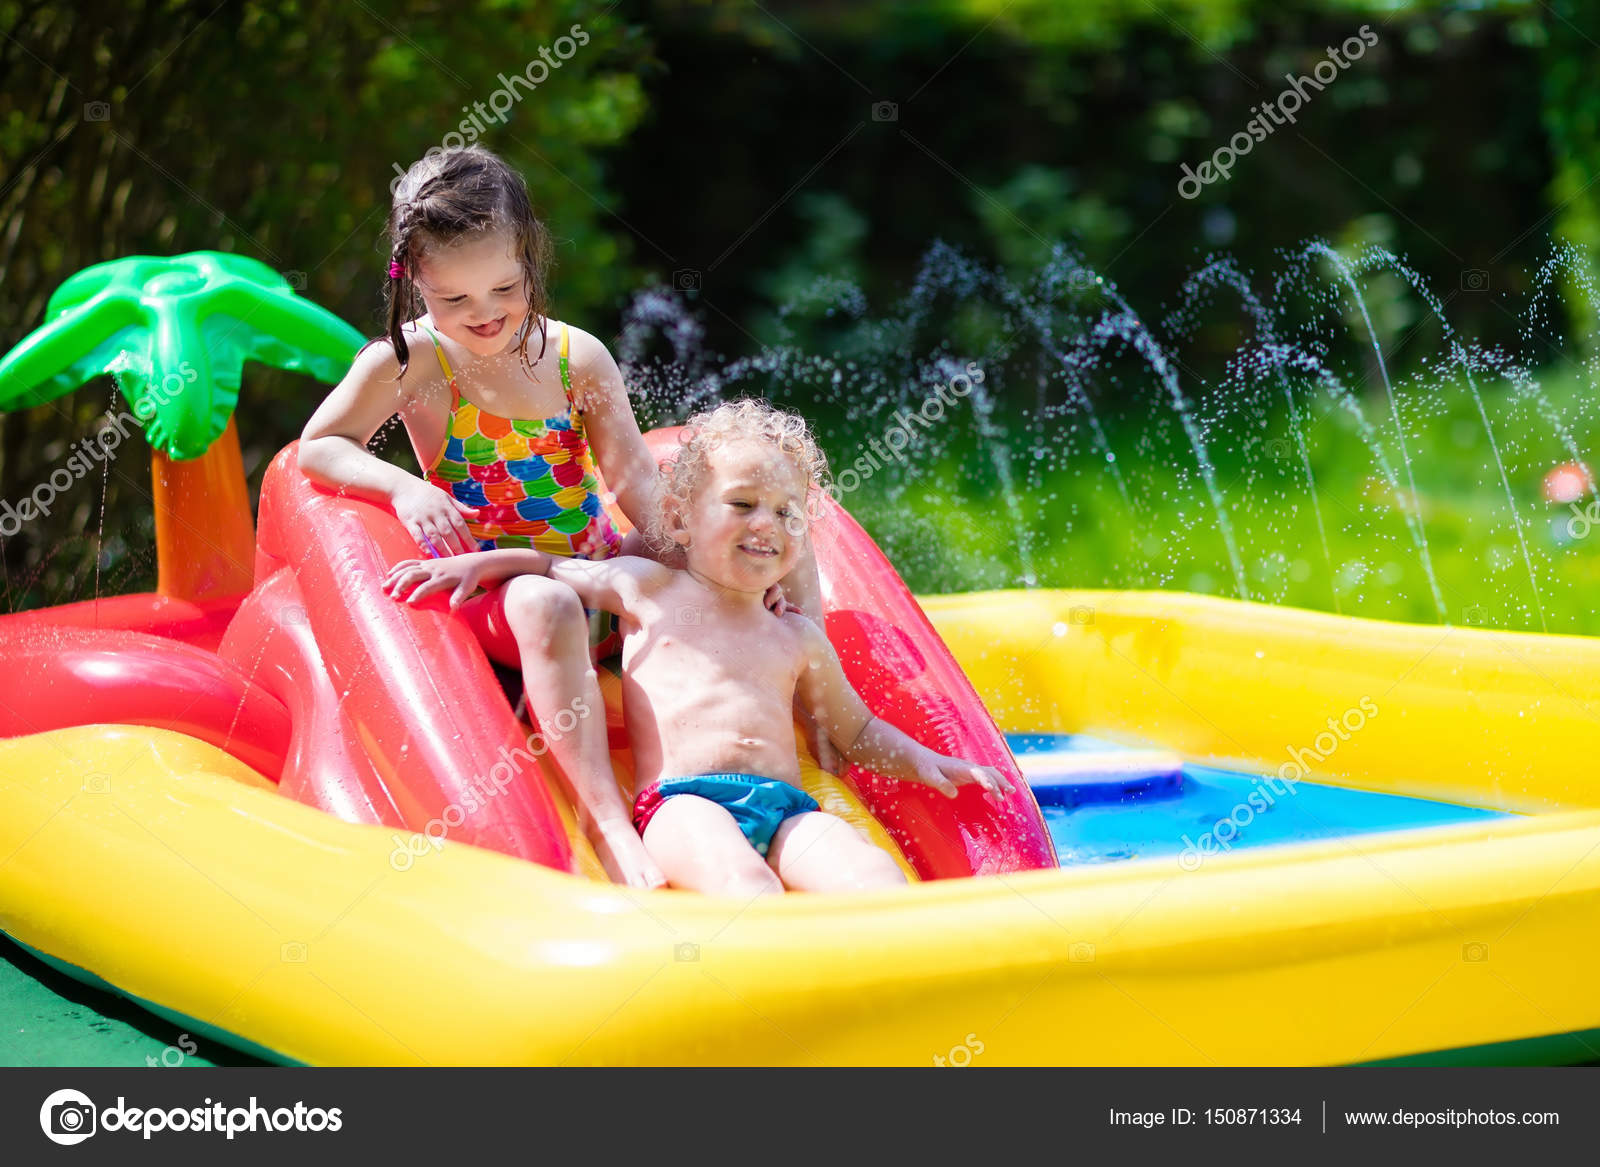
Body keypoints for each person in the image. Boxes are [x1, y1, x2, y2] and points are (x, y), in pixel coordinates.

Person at [298, 146, 827, 891]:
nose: (483, 315)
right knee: (543, 597)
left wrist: (722, 571)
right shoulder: (411, 361)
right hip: (493, 594)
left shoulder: (579, 358)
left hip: (593, 571)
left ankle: (818, 699)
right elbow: (319, 446)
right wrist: (403, 489)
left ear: (530, 259)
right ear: (412, 277)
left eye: (504, 289)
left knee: (756, 526)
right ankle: (609, 825)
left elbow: (638, 484)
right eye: (454, 299)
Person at [382, 400, 1012, 894]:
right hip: (683, 802)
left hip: (788, 808)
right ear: (681, 519)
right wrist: (478, 567)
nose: (765, 524)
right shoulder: (649, 587)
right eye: (741, 504)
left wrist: (928, 761)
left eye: (787, 514)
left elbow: (856, 729)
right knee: (745, 885)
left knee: (874, 879)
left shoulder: (795, 634)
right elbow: (554, 573)